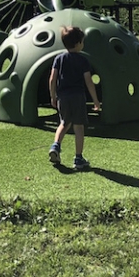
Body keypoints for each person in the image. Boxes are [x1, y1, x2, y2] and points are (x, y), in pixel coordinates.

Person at [48, 26, 101, 170]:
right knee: (78, 127)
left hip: (62, 97)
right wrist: (95, 100)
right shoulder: (83, 61)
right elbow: (88, 81)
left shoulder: (59, 59)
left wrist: (53, 96)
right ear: (78, 44)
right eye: (82, 42)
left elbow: (52, 78)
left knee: (64, 123)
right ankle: (78, 158)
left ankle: (55, 146)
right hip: (78, 97)